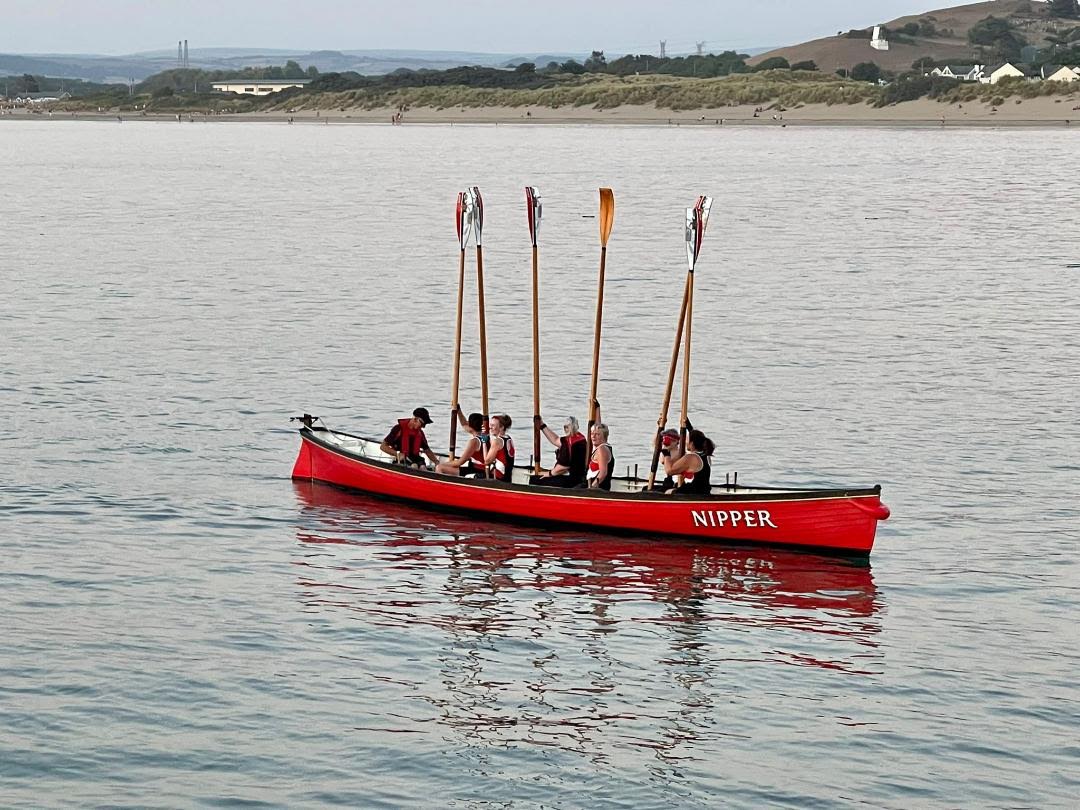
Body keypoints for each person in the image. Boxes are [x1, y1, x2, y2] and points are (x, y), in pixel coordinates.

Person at [530, 415, 587, 487]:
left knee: (534, 480)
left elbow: (563, 467)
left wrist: (549, 473)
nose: (565, 429)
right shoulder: (580, 438)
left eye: (566, 427)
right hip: (578, 477)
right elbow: (555, 440)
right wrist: (542, 426)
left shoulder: (569, 443)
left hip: (570, 479)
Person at [663, 429, 715, 495]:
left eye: (687, 439)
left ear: (692, 443)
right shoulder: (706, 455)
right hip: (703, 490)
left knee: (667, 492)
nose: (685, 442)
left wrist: (665, 452)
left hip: (695, 492)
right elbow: (667, 463)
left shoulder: (691, 457)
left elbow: (669, 471)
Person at [435, 411, 485, 477]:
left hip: (476, 469)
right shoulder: (485, 436)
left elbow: (460, 462)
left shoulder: (474, 441)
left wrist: (443, 464)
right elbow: (464, 424)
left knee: (439, 468)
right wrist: (458, 411)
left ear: (470, 425)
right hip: (478, 468)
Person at [483, 414, 515, 481]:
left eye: (493, 425)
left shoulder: (497, 441)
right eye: (490, 425)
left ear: (501, 427)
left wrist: (484, 443)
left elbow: (487, 461)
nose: (490, 427)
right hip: (508, 477)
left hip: (498, 478)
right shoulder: (509, 438)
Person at [586, 423, 614, 490]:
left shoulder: (601, 449)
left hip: (599, 489)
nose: (593, 436)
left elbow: (603, 473)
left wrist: (591, 488)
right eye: (592, 434)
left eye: (597, 434)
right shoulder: (606, 447)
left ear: (604, 436)